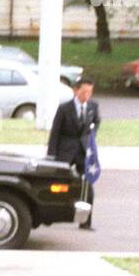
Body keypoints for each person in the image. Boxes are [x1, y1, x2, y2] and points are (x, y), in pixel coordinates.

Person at [47, 77, 101, 230]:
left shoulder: (93, 106)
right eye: (84, 91)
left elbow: (96, 122)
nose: (87, 95)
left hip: (84, 152)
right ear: (75, 90)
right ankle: (50, 215)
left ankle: (85, 222)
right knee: (57, 185)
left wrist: (91, 135)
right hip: (65, 152)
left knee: (87, 187)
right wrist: (51, 155)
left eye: (90, 92)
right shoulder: (64, 108)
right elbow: (55, 133)